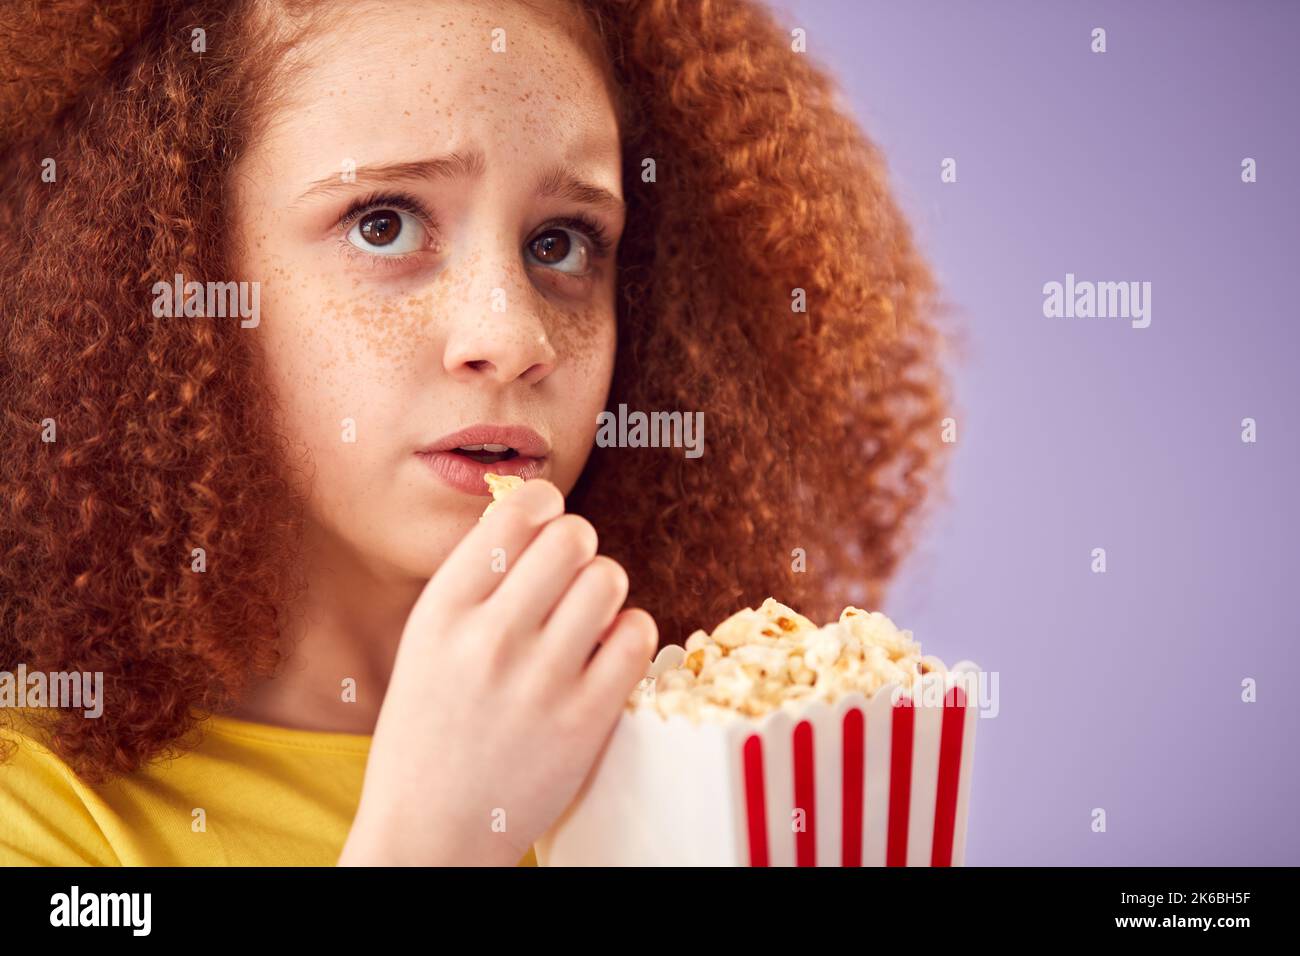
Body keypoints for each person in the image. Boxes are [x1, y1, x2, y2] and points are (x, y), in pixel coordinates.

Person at [0, 0, 951, 866]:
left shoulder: (711, 768)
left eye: (561, 243)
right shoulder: (38, 812)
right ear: (172, 267)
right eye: (383, 223)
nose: (513, 337)